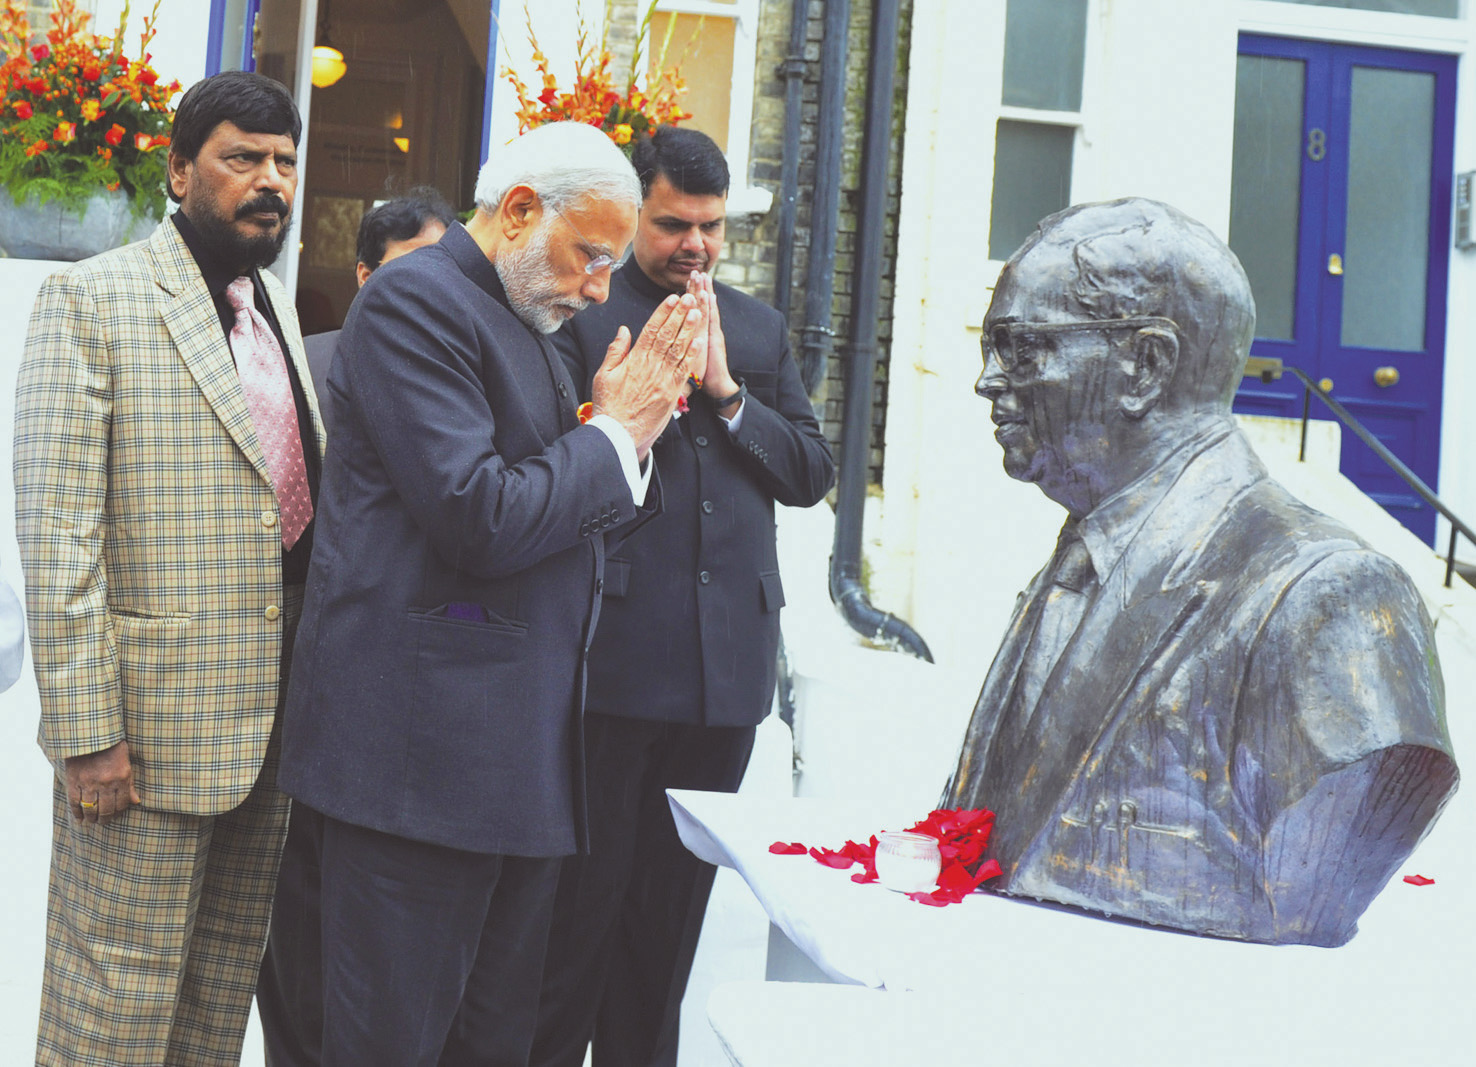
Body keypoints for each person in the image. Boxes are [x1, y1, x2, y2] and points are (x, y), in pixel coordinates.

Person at [273, 121, 706, 1066]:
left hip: (514, 766)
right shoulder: (415, 304)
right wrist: (612, 436)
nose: (601, 285)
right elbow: (478, 517)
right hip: (416, 770)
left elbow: (555, 528)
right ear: (517, 212)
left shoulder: (523, 321)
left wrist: (616, 434)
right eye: (590, 254)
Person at [942, 197, 1459, 947]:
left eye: (1022, 349)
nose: (990, 381)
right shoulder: (1082, 556)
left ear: (1146, 366)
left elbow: (1324, 858)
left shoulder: (1327, 594)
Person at [13, 70, 319, 1065]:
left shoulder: (273, 304)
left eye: (282, 161)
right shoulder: (91, 298)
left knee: (213, 1005)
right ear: (181, 169)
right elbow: (56, 534)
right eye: (242, 158)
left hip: (270, 739)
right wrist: (87, 731)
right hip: (140, 744)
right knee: (111, 1013)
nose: (268, 180)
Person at [532, 126, 835, 1067]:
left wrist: (730, 394)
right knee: (574, 926)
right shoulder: (583, 312)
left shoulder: (757, 328)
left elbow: (812, 471)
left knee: (667, 936)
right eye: (672, 225)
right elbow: (549, 468)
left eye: (709, 225)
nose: (694, 244)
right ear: (635, 210)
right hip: (609, 670)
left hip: (724, 681)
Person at [303, 188, 455, 431]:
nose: (430, 281)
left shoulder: (465, 368)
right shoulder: (306, 362)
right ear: (366, 276)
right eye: (410, 267)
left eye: (442, 266)